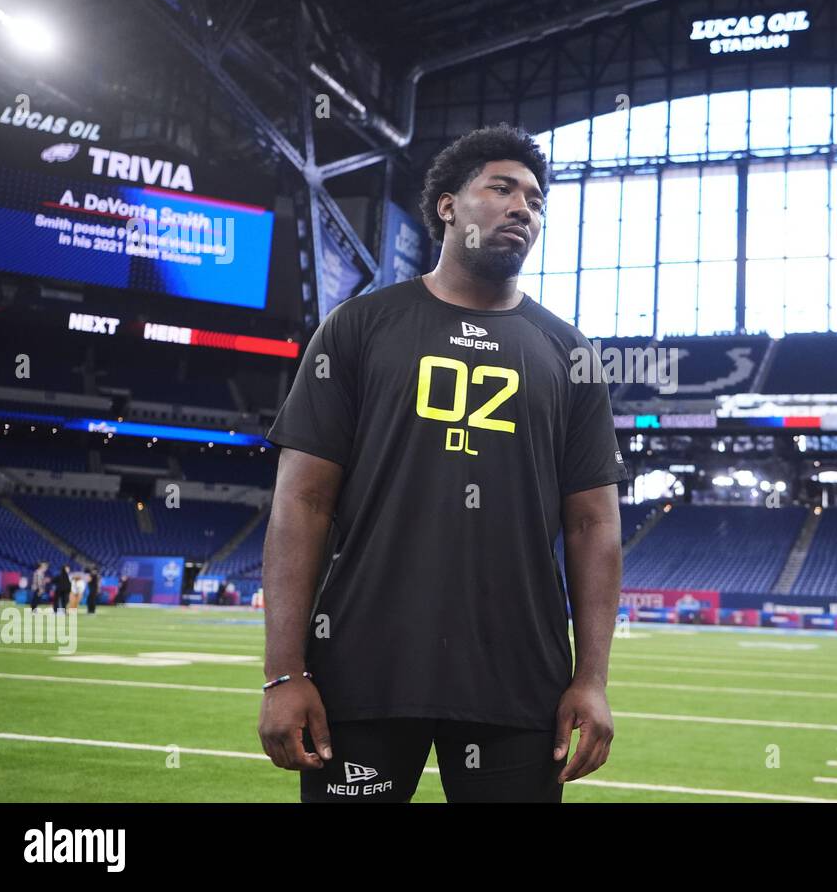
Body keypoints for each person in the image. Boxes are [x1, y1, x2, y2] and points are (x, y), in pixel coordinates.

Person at [258, 125, 630, 803]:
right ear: (448, 206)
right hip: (363, 669)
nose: (525, 207)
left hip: (521, 681)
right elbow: (301, 502)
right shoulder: (357, 327)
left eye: (537, 200)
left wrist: (592, 678)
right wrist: (284, 673)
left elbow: (593, 526)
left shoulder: (571, 352)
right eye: (503, 187)